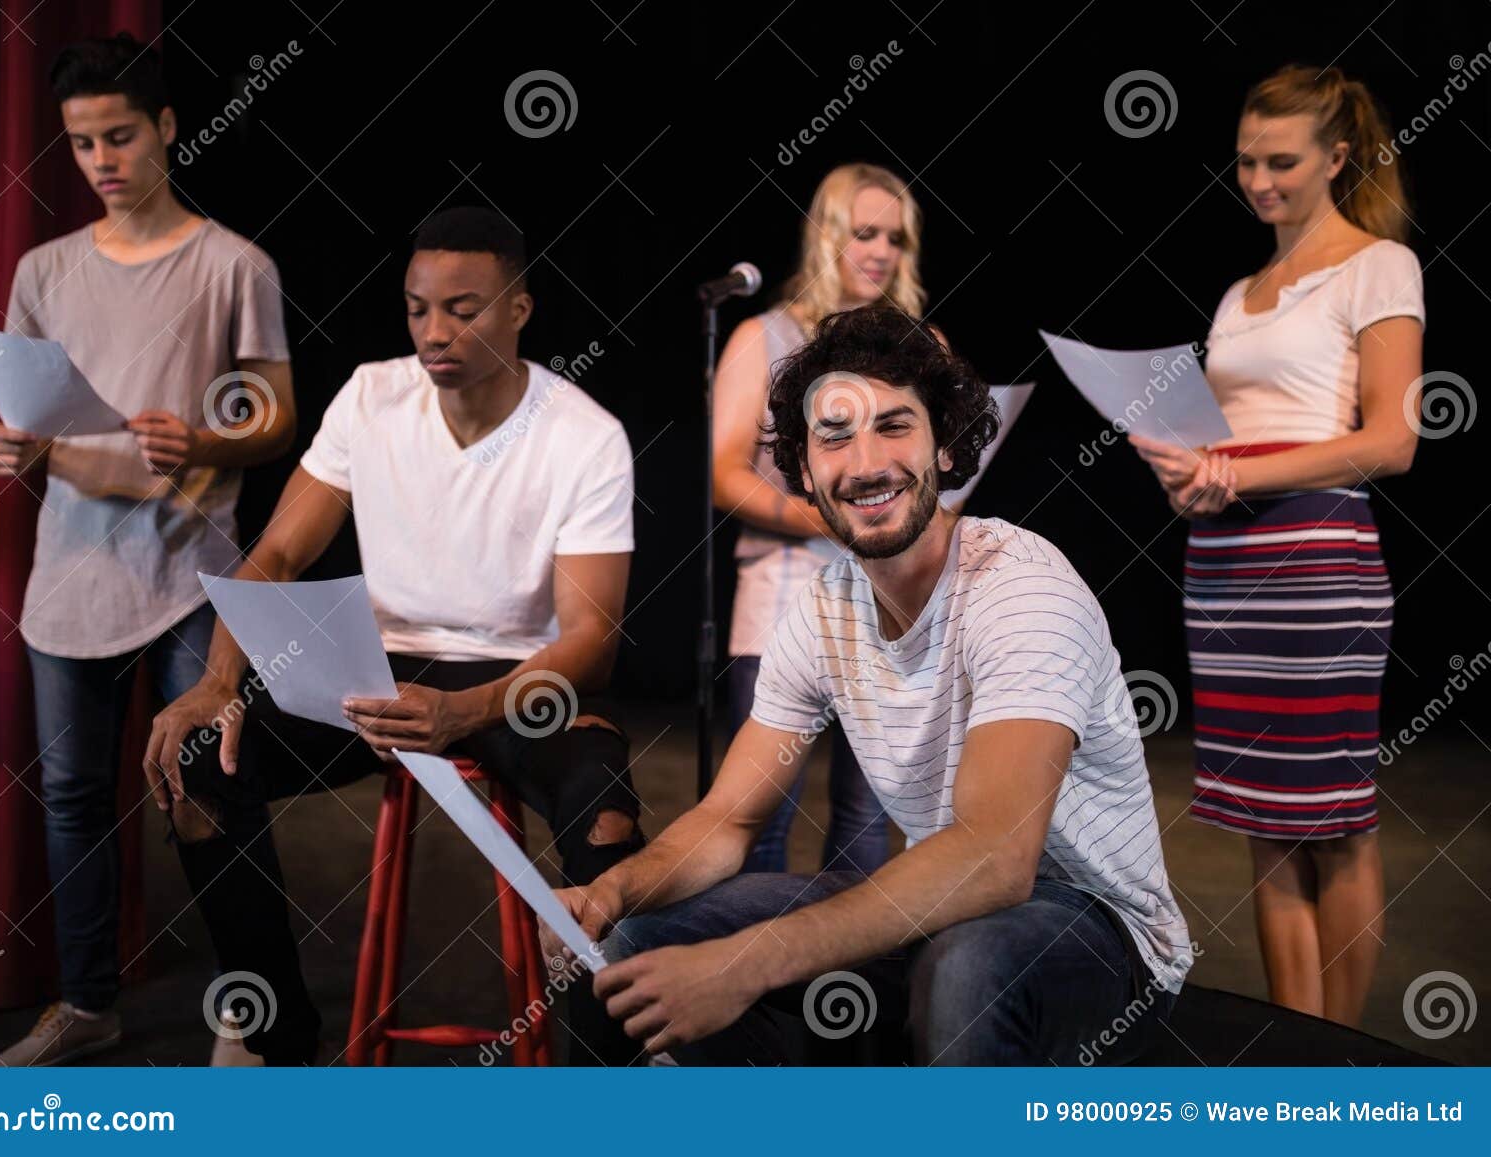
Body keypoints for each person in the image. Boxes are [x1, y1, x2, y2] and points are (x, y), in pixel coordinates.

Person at [546, 306, 1193, 1065]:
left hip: (1098, 929)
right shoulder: (824, 609)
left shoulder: (1021, 587)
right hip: (942, 905)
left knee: (970, 967)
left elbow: (995, 857)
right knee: (639, 941)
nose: (866, 463)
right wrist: (612, 892)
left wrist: (748, 961)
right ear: (805, 470)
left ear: (948, 448)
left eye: (894, 425)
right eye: (835, 435)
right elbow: (727, 820)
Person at [144, 207, 646, 1066]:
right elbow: (277, 552)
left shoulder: (585, 435)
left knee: (603, 813)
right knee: (202, 760)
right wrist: (217, 679)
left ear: (520, 309)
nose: (433, 331)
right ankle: (274, 1038)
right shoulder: (372, 395)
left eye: (462, 307)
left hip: (515, 677)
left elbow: (590, 645)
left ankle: (616, 1069)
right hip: (379, 665)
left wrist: (463, 711)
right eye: (417, 308)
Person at [0, 33, 295, 1067]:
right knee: (73, 798)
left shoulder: (234, 262)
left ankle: (253, 1012)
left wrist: (210, 437)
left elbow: (280, 418)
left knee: (208, 786)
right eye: (81, 144)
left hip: (189, 572)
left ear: (166, 129)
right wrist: (10, 447)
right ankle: (87, 1002)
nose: (102, 160)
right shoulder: (43, 268)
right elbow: (25, 421)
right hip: (68, 573)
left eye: (119, 135)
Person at [1129, 65, 1423, 1028]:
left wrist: (1242, 475)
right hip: (1223, 569)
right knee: (1263, 821)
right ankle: (1293, 1046)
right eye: (1247, 161)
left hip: (1317, 565)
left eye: (1281, 161)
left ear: (1337, 158)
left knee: (1332, 820)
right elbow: (1233, 441)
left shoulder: (1379, 264)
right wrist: (1189, 473)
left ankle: (1341, 1054)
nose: (1259, 180)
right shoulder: (1238, 292)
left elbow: (1392, 440)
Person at [713, 163, 940, 875]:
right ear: (827, 236)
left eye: (895, 238)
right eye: (863, 233)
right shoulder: (765, 336)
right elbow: (724, 472)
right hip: (784, 599)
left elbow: (947, 477)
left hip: (889, 607)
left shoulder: (920, 350)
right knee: (760, 819)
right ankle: (753, 980)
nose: (880, 251)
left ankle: (852, 985)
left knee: (868, 820)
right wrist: (823, 518)